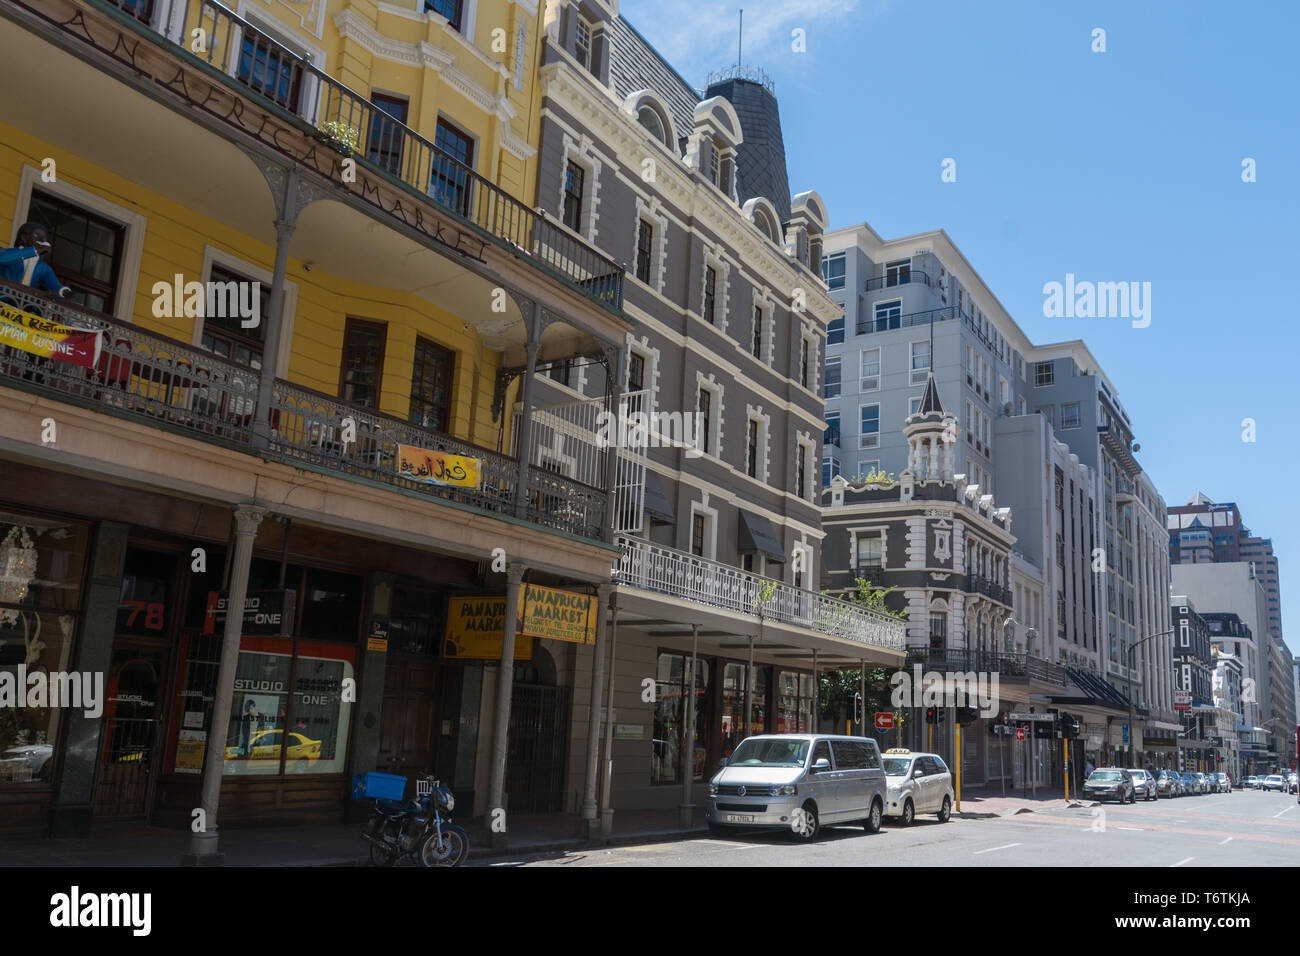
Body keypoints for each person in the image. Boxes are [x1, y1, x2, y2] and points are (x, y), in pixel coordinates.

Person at [0, 222, 71, 302]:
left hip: (23, 305)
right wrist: (34, 250)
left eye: (44, 238)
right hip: (3, 299)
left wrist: (63, 291)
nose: (41, 240)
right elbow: (2, 258)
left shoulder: (42, 267)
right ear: (23, 238)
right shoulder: (9, 253)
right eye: (36, 236)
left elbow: (53, 283)